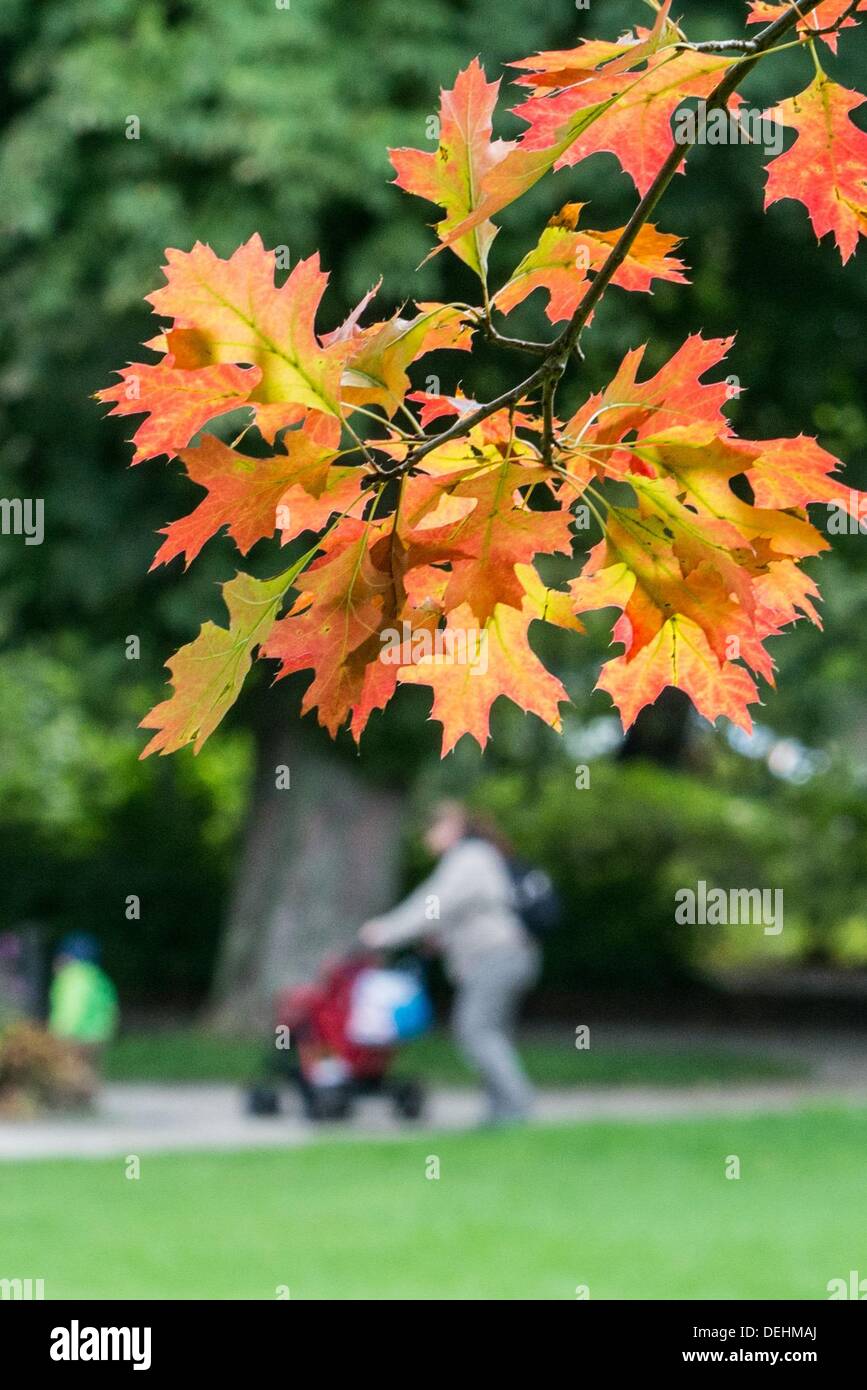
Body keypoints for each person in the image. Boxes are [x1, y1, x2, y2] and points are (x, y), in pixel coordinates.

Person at [360, 801, 540, 1124]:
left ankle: (517, 1106)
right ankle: (500, 1112)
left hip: (496, 957)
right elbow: (461, 911)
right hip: (505, 956)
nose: (427, 837)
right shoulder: (475, 858)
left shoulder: (470, 858)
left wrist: (382, 932)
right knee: (491, 1033)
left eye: (431, 829)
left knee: (474, 1031)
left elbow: (433, 905)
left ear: (452, 827)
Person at [48, 933, 119, 1067]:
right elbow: (112, 1008)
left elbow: (73, 1008)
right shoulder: (99, 978)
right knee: (89, 1069)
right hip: (99, 1035)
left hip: (76, 1035)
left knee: (70, 1072)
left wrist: (61, 1032)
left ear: (67, 958)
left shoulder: (72, 978)